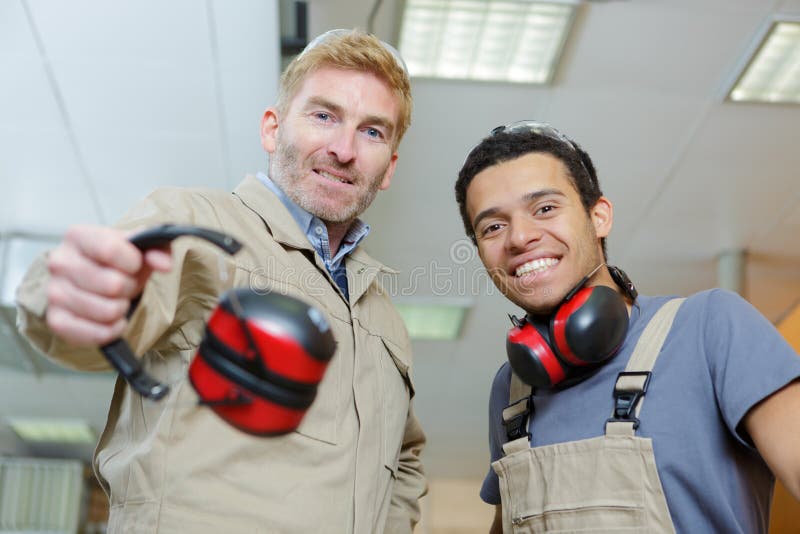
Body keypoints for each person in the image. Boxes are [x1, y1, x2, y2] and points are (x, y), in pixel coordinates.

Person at [16, 29, 426, 533]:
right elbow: (97, 310)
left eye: (373, 132)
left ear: (389, 167)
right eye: (324, 116)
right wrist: (77, 294)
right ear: (273, 129)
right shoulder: (193, 225)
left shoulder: (386, 320)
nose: (344, 149)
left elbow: (404, 456)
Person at [454, 120, 800, 533]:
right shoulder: (511, 389)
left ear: (599, 216)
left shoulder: (710, 327)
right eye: (493, 227)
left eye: (545, 208)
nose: (519, 237)